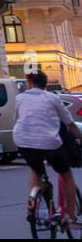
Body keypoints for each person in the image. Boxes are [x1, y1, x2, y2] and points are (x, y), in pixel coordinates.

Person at [14, 69, 80, 221]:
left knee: (35, 170)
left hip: (23, 142)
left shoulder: (20, 98)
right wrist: (79, 136)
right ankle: (71, 214)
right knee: (66, 174)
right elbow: (69, 123)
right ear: (45, 84)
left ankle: (34, 205)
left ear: (29, 83)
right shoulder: (52, 98)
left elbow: (17, 120)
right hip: (49, 142)